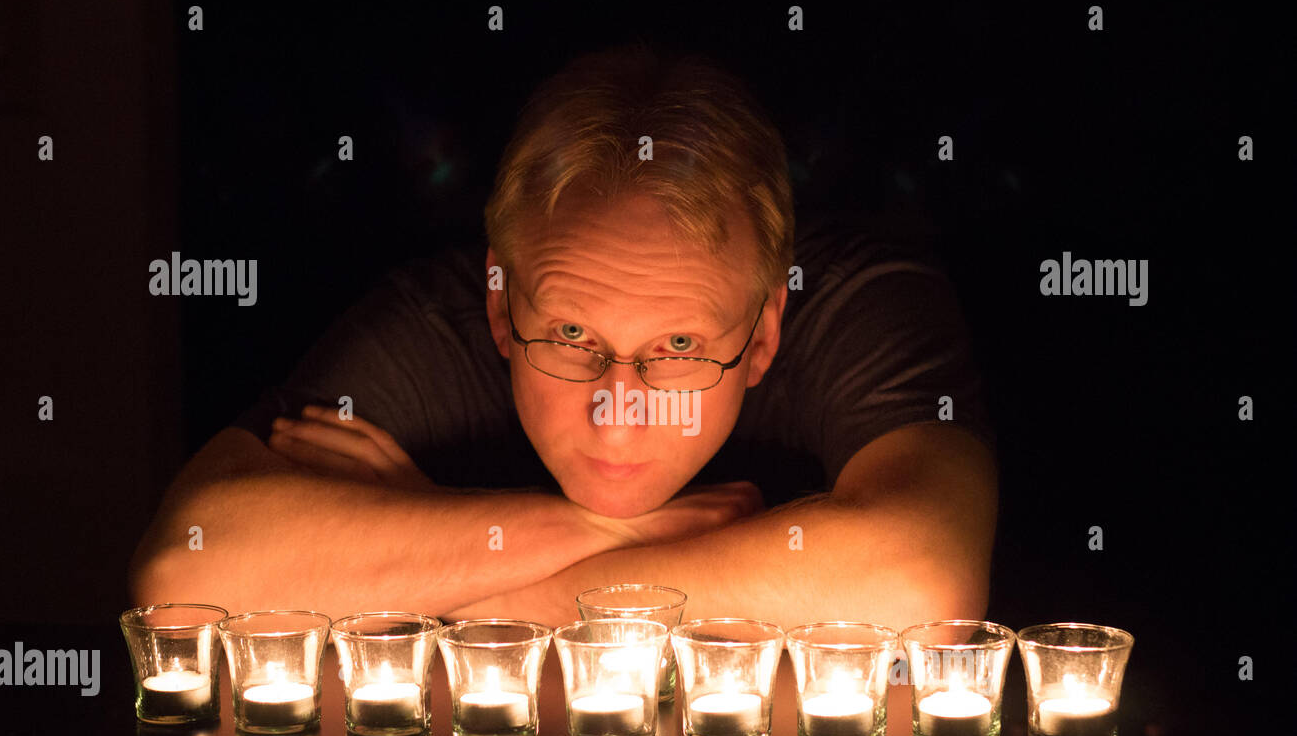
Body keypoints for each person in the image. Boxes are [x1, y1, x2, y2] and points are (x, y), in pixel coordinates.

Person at [129, 45, 998, 630]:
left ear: (767, 328)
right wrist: (619, 534)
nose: (616, 415)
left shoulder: (859, 304)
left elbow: (925, 582)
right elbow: (183, 579)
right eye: (574, 336)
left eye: (682, 349)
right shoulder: (435, 324)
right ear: (503, 305)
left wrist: (455, 577)